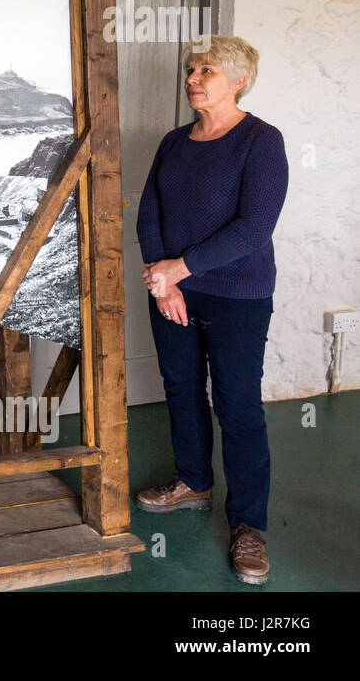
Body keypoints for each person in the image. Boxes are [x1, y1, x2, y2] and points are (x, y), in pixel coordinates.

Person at [133, 35, 289, 586]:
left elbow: (254, 228)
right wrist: (162, 278)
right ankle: (193, 481)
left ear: (239, 79)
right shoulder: (175, 142)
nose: (194, 78)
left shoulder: (261, 141)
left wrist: (181, 268)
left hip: (238, 294)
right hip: (173, 290)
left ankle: (249, 524)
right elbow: (148, 211)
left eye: (208, 71)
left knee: (238, 402)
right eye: (192, 69)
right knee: (180, 387)